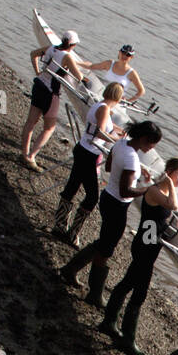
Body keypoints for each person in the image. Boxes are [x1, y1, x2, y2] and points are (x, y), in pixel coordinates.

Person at [59, 120, 162, 309]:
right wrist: (147, 189)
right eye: (152, 143)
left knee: (104, 243)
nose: (153, 148)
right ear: (145, 139)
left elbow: (108, 168)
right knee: (107, 248)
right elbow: (126, 191)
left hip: (108, 197)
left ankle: (71, 269)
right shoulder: (131, 159)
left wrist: (137, 171)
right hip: (117, 205)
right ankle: (94, 293)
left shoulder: (121, 144)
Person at [99, 157, 178, 355]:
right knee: (139, 289)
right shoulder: (155, 190)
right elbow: (173, 205)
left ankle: (110, 322)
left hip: (150, 242)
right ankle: (126, 337)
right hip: (145, 243)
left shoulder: (162, 190)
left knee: (130, 283)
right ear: (169, 172)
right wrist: (172, 185)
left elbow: (164, 214)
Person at [51, 82, 125, 246]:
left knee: (73, 186)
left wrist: (120, 131)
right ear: (118, 97)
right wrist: (117, 140)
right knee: (92, 197)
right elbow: (99, 132)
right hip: (88, 153)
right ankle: (72, 232)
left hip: (84, 150)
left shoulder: (101, 106)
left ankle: (61, 225)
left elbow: (106, 126)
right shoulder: (104, 108)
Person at [21, 30, 89, 171]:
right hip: (51, 93)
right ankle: (31, 156)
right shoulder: (67, 57)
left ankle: (24, 153)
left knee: (30, 122)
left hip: (38, 85)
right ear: (73, 45)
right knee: (50, 128)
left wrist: (38, 72)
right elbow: (79, 76)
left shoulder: (51, 48)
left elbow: (33, 54)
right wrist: (82, 73)